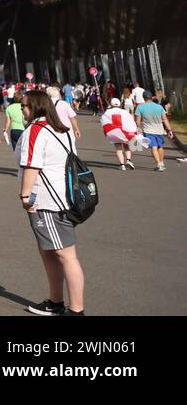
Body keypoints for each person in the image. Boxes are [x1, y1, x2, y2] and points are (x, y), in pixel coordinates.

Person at [19, 89, 86, 315]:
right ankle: (56, 301)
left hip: (46, 200)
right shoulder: (61, 129)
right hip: (65, 196)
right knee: (49, 250)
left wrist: (25, 195)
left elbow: (31, 164)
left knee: (66, 255)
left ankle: (76, 309)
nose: (22, 110)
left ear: (36, 106)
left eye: (25, 106)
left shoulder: (36, 130)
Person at [134, 92, 172, 172]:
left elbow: (138, 121)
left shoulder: (140, 107)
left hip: (148, 130)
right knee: (160, 146)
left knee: (154, 147)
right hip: (159, 129)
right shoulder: (159, 107)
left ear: (144, 98)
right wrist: (169, 130)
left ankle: (158, 164)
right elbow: (165, 119)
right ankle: (161, 163)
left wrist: (138, 128)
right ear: (151, 97)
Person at [100, 97, 138, 169]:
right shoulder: (124, 112)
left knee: (118, 148)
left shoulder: (107, 112)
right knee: (126, 146)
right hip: (125, 132)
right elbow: (131, 121)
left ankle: (122, 165)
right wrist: (134, 131)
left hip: (114, 132)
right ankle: (128, 160)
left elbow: (103, 121)